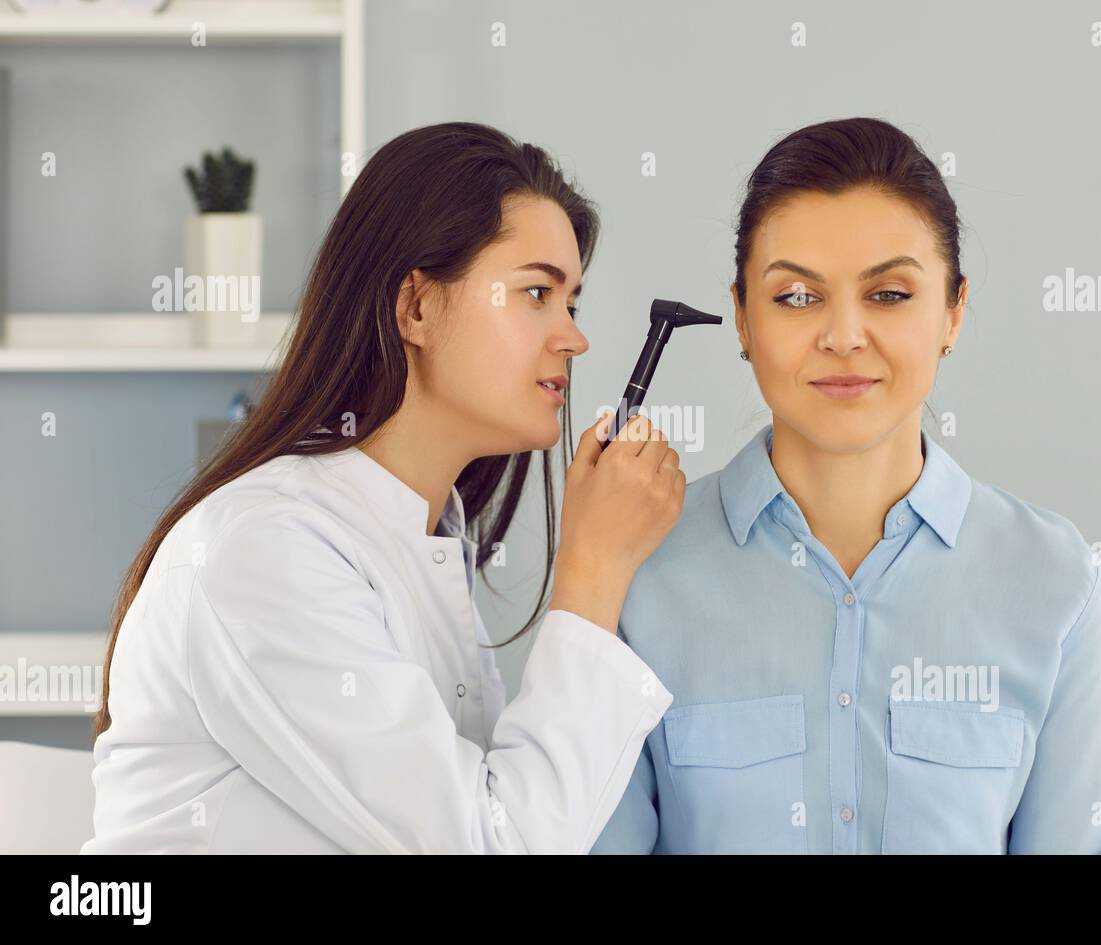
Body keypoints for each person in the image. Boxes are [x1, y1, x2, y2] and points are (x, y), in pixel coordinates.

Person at [82, 122, 684, 854]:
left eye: (573, 304)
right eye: (535, 293)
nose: (573, 337)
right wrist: (593, 573)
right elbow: (494, 843)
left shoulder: (424, 535)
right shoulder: (265, 549)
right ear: (417, 308)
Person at [591, 117, 1101, 854]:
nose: (844, 335)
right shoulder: (637, 572)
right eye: (795, 297)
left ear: (953, 311)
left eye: (888, 294)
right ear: (744, 318)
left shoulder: (1057, 586)